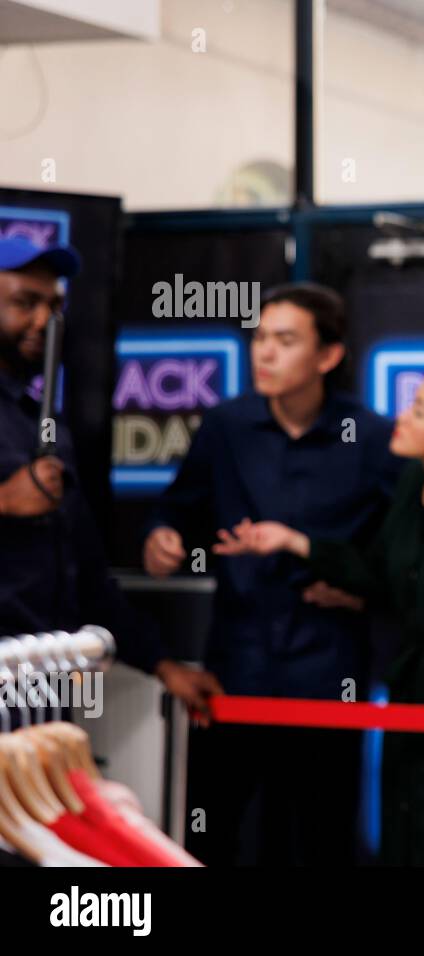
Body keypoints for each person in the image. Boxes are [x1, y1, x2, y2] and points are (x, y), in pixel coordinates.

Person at [215, 368, 424, 866]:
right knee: (406, 836)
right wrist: (294, 542)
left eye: (419, 410)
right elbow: (382, 574)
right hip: (408, 702)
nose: (401, 417)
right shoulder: (412, 487)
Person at [142, 282, 402, 865]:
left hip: (328, 667)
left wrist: (363, 590)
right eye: (260, 338)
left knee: (321, 834)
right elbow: (176, 507)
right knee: (211, 828)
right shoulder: (226, 426)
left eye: (285, 341)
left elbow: (408, 551)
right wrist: (161, 538)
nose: (265, 353)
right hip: (236, 663)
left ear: (328, 356)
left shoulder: (373, 435)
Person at [0, 235, 218, 711]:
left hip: (41, 681)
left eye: (53, 305)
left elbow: (86, 570)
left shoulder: (41, 420)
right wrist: (4, 501)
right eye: (24, 303)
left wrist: (161, 663)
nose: (44, 320)